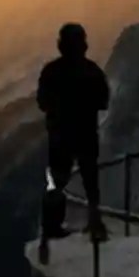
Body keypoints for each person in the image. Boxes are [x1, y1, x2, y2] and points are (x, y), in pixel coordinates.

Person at [37, 23, 110, 242]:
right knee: (90, 180)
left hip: (60, 137)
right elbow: (103, 102)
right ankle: (94, 222)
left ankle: (52, 225)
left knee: (56, 182)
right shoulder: (92, 71)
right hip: (86, 134)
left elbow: (42, 102)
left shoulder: (51, 72)